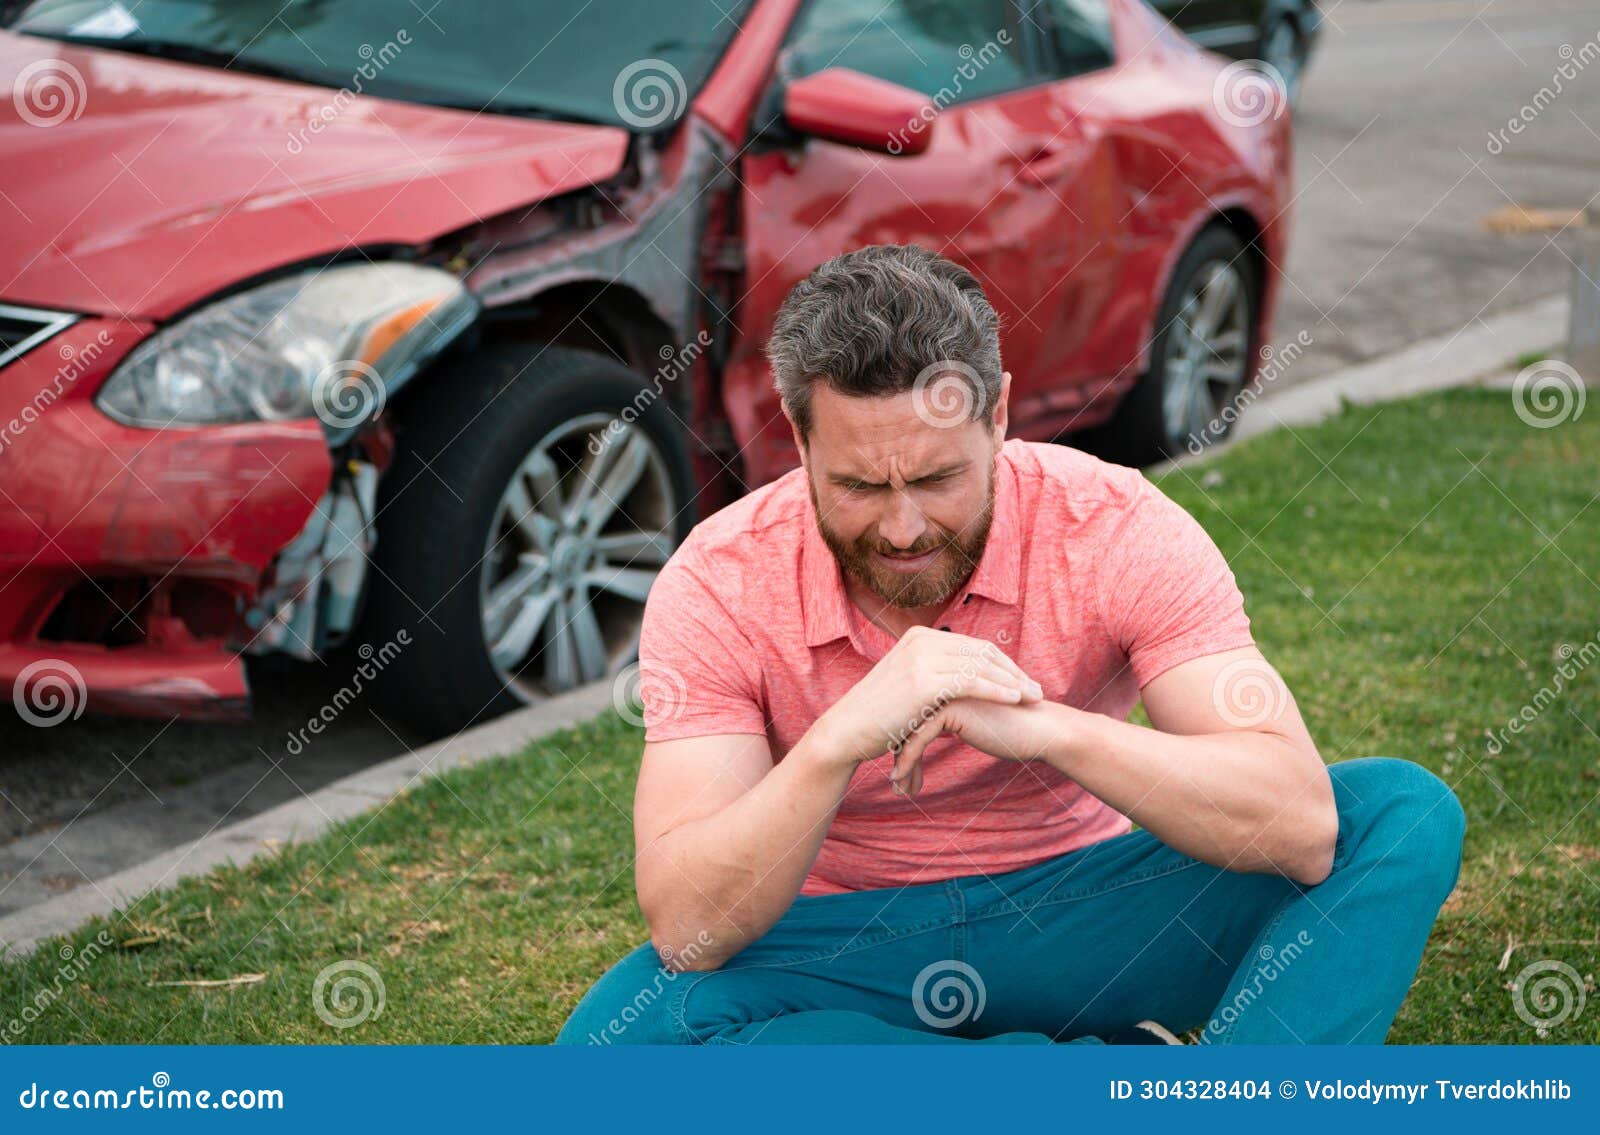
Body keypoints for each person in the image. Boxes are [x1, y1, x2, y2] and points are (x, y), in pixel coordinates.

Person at [557, 244, 1464, 1045]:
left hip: (1088, 913)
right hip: (855, 941)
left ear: (997, 420)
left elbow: (1300, 826)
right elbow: (688, 926)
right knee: (625, 1034)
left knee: (1397, 815)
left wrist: (1049, 730)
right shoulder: (718, 578)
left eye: (940, 476)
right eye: (861, 485)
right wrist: (837, 742)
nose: (904, 526)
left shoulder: (1113, 524)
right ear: (797, 440)